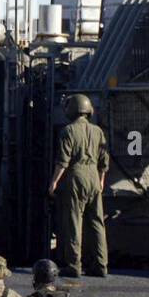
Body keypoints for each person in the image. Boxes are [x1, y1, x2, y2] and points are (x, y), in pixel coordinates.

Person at [49, 94, 109, 278]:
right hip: (93, 177)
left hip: (76, 176)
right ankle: (101, 265)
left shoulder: (68, 131)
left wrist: (54, 182)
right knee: (97, 222)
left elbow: (63, 162)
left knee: (74, 221)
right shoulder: (98, 131)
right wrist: (101, 181)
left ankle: (74, 264)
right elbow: (104, 160)